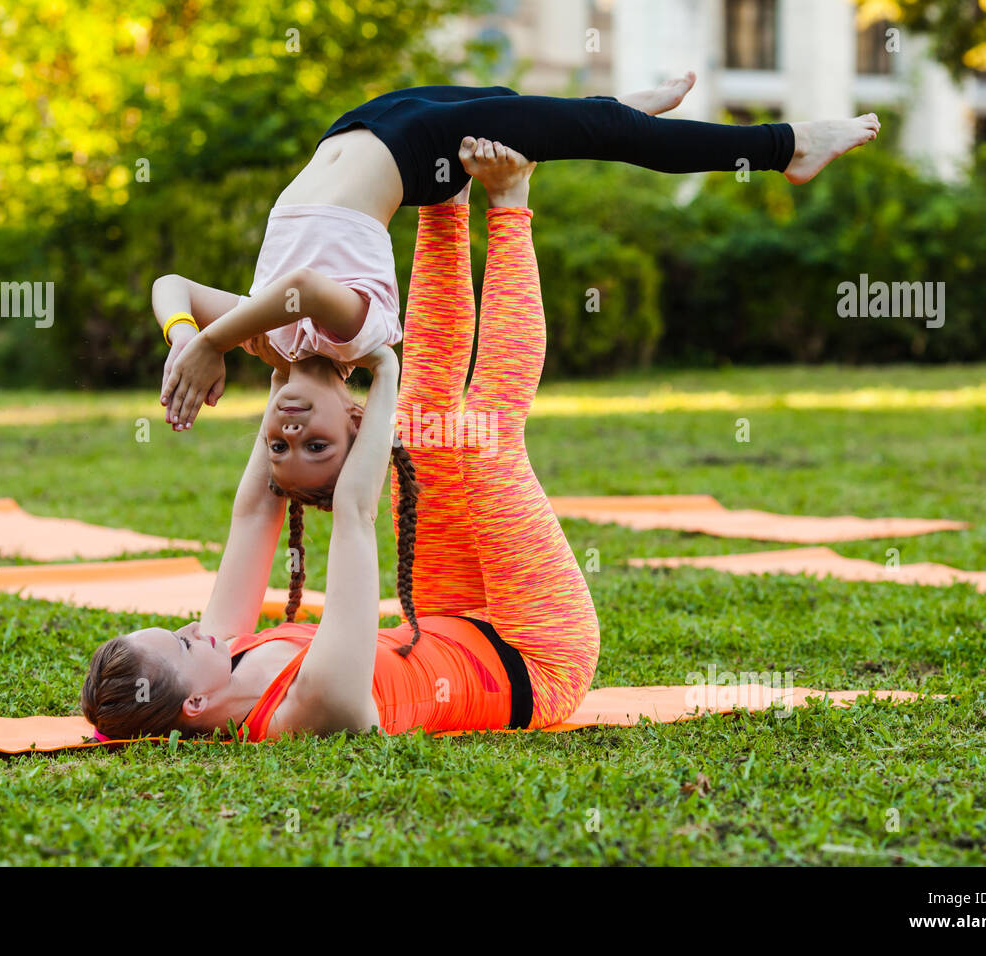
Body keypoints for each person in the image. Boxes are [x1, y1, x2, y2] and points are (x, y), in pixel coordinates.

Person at [153, 77, 881, 509]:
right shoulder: (359, 339)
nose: (287, 428)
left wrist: (186, 336)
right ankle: (788, 146)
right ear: (354, 420)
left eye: (277, 443)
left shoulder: (267, 342)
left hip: (355, 128)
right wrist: (212, 341)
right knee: (606, 134)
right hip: (417, 155)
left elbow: (172, 285)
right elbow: (303, 287)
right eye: (314, 444)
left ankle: (608, 112)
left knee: (516, 107)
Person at [83, 141, 600, 739]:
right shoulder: (313, 706)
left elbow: (255, 512)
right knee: (483, 442)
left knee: (424, 432)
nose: (195, 629)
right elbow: (355, 513)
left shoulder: (220, 657)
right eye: (181, 643)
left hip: (446, 613)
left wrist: (286, 383)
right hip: (536, 657)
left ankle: (446, 194)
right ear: (195, 704)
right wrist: (383, 372)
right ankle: (510, 200)